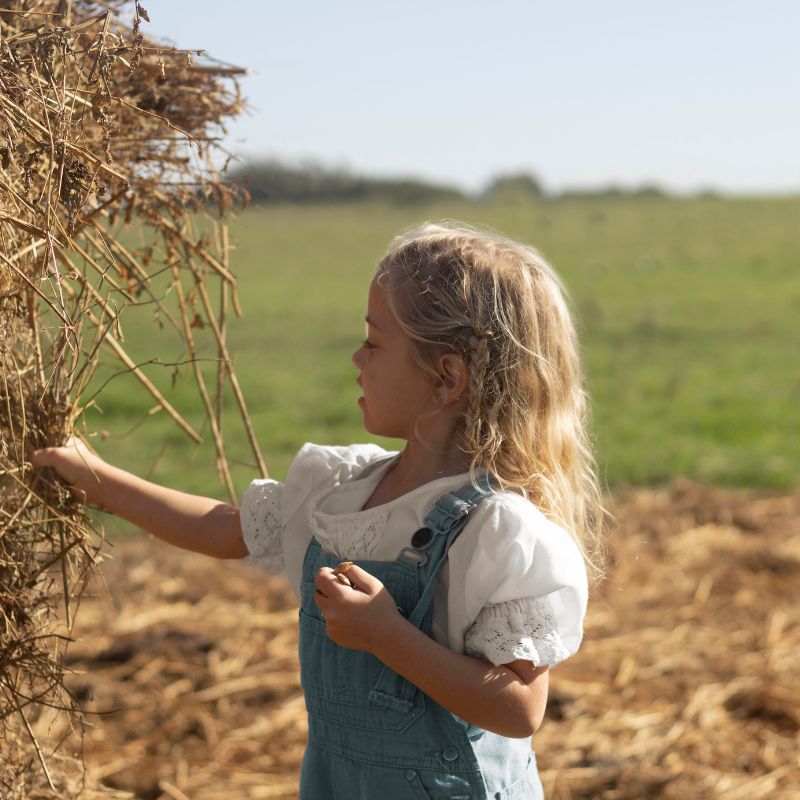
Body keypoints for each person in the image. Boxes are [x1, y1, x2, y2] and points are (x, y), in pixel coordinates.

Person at [33, 221, 604, 799]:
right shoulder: (339, 492)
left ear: (447, 377)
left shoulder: (498, 531)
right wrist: (100, 482)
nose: (357, 357)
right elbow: (225, 527)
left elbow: (518, 708)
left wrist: (388, 635)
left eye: (375, 342)